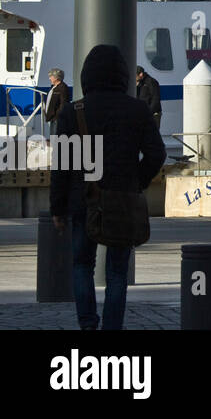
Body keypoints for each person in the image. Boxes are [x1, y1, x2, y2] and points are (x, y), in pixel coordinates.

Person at [50, 44, 165, 330]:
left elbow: (62, 165)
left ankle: (88, 324)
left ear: (87, 74)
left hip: (82, 198)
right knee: (116, 271)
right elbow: (156, 154)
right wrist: (137, 181)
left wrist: (57, 207)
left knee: (82, 265)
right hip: (123, 199)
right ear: (122, 75)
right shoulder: (137, 109)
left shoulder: (72, 112)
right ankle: (112, 327)